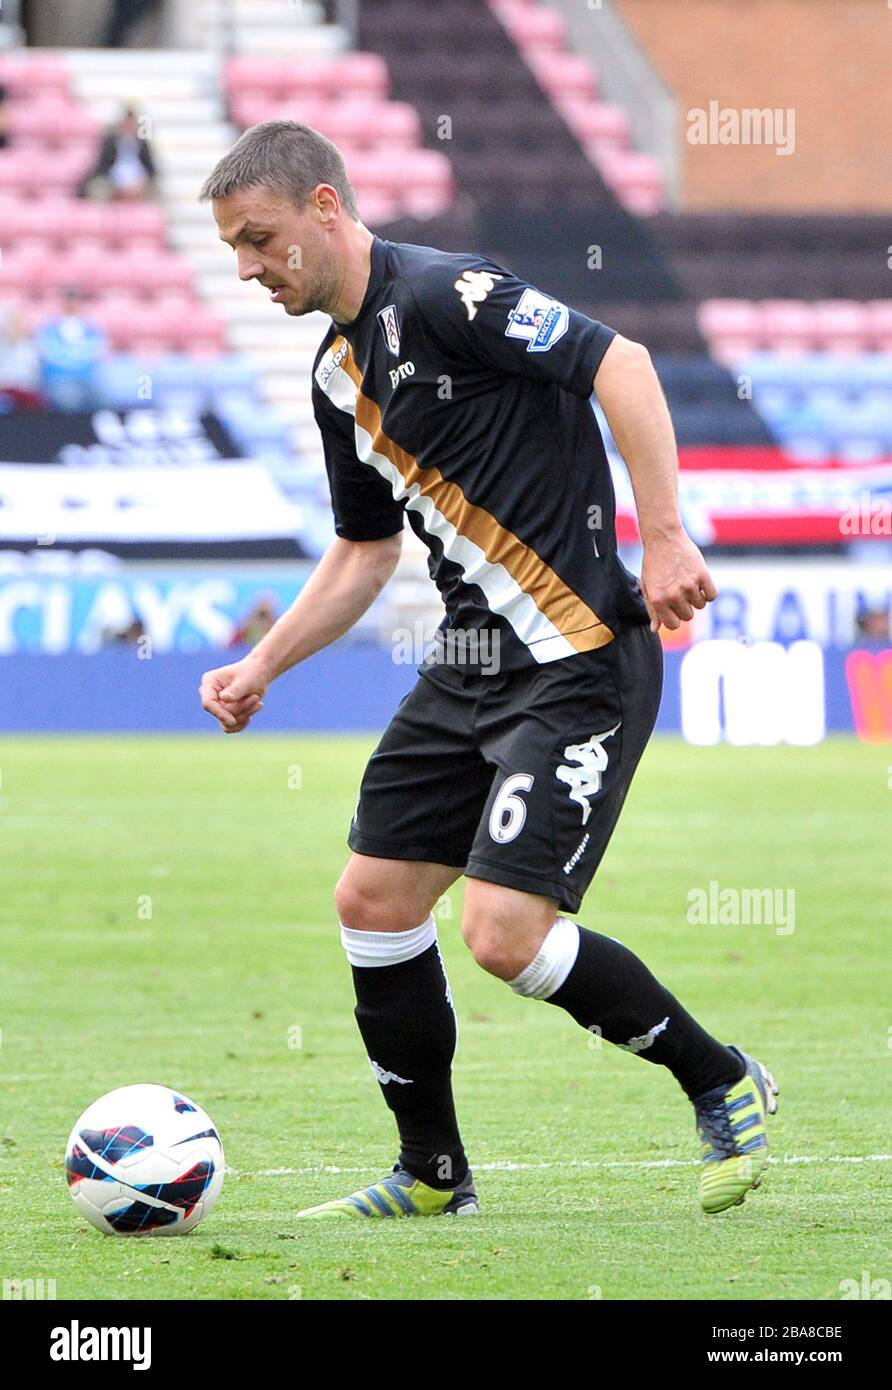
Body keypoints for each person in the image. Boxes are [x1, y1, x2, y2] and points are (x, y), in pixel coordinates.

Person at [198, 121, 779, 1221]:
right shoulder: (337, 378)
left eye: (259, 240)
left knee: (502, 934)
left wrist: (664, 537)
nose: (247, 270)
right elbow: (367, 550)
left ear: (325, 207)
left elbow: (622, 363)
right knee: (371, 899)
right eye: (232, 249)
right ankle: (432, 1173)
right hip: (468, 667)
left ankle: (721, 1077)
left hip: (579, 657)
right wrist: (261, 663)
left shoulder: (448, 296)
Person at [36, 288, 107, 411]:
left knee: (105, 399)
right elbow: (50, 354)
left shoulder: (91, 328)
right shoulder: (49, 328)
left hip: (88, 379)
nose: (71, 304)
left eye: (74, 300)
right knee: (68, 398)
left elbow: (96, 352)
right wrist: (75, 357)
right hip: (58, 379)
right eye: (68, 300)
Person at [80, 106, 156, 201]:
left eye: (132, 124)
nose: (129, 127)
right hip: (113, 184)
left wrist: (140, 184)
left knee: (157, 191)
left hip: (139, 185)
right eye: (127, 124)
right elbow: (101, 167)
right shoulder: (110, 143)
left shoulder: (143, 144)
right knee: (98, 189)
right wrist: (115, 184)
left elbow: (151, 170)